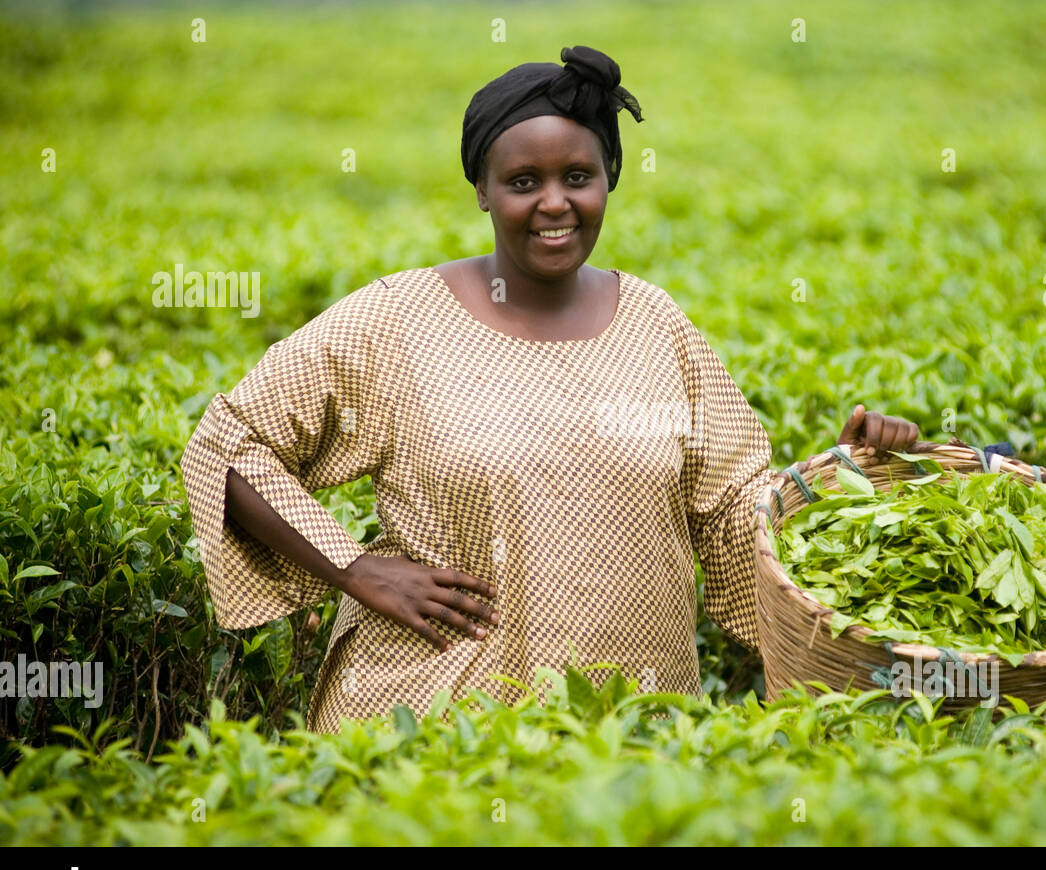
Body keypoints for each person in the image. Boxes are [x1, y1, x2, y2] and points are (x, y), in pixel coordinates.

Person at [180, 45, 919, 734]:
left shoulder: (659, 327)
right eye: (523, 182)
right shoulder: (397, 320)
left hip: (632, 739)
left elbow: (735, 518)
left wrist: (843, 479)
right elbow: (231, 445)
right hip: (432, 729)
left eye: (578, 177)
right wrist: (356, 567)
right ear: (482, 189)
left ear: (608, 181)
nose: (555, 203)